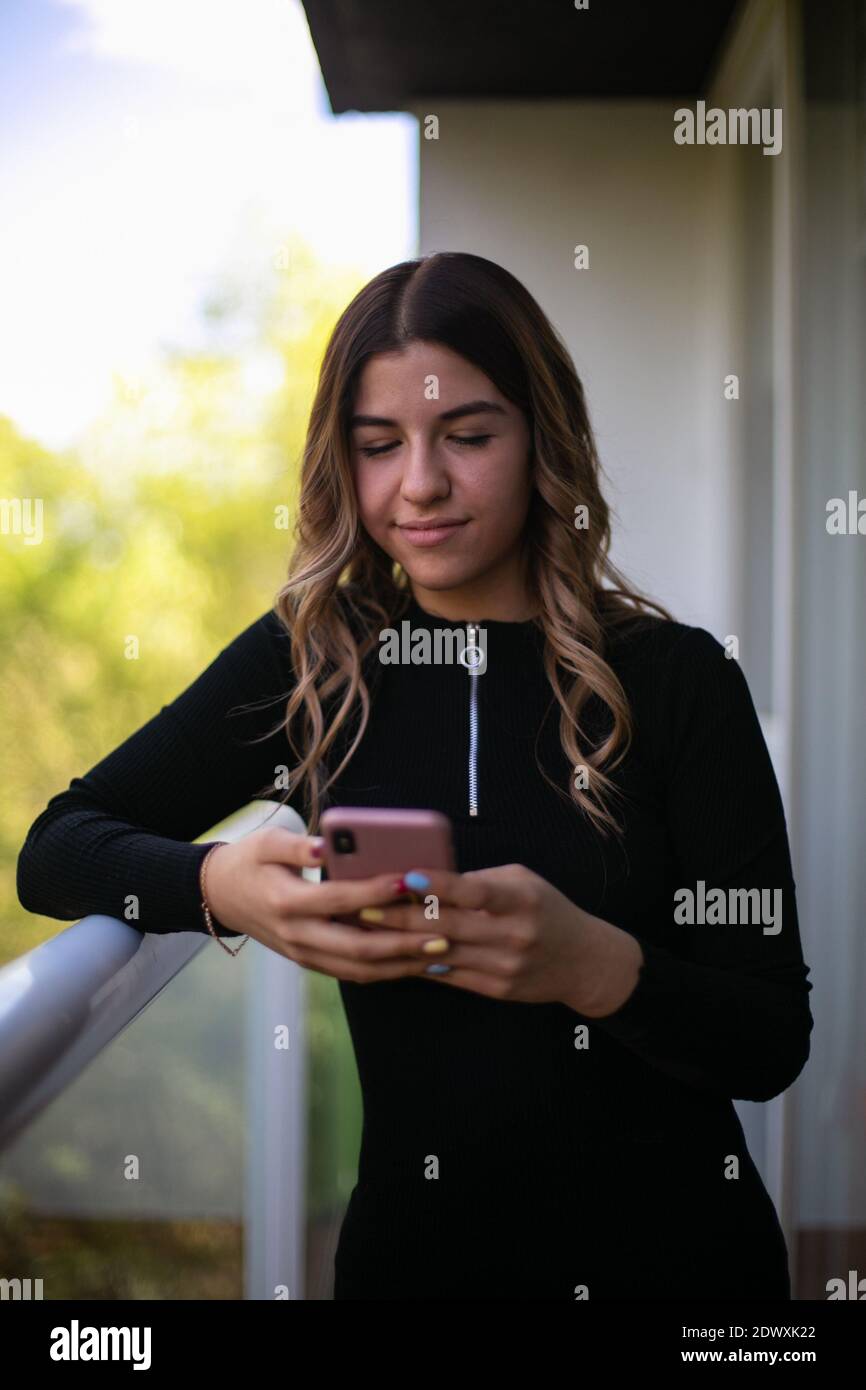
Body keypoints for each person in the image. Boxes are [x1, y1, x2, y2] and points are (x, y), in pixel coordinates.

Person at [17, 250, 813, 1300]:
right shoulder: (314, 664)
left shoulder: (674, 684)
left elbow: (768, 1038)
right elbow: (58, 848)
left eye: (468, 436)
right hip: (415, 1272)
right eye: (376, 445)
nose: (419, 483)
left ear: (543, 438)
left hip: (678, 1275)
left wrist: (590, 962)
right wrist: (220, 888)